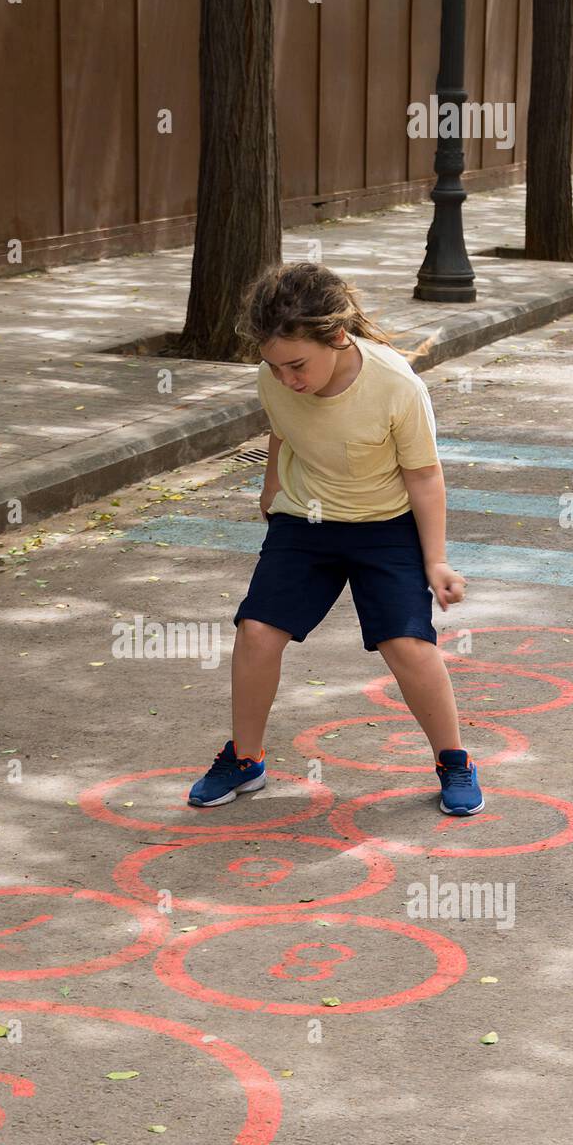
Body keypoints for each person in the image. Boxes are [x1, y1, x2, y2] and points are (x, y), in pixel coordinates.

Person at [188, 262, 483, 817]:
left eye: (297, 365)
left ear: (337, 336)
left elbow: (423, 475)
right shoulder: (273, 377)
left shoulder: (395, 385)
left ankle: (454, 760)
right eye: (275, 367)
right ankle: (245, 759)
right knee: (256, 632)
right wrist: (272, 489)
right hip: (305, 522)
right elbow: (282, 430)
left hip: (384, 526)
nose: (286, 379)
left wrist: (435, 559)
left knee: (407, 644)